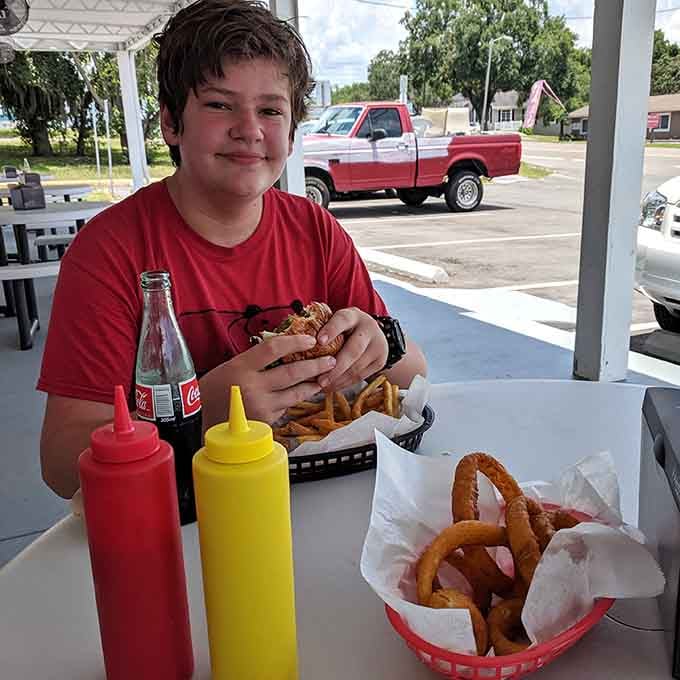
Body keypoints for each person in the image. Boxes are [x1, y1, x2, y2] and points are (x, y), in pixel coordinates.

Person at [38, 0, 427, 499]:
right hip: (176, 517)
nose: (250, 129)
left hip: (314, 496)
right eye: (220, 105)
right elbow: (61, 462)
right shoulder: (108, 252)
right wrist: (201, 416)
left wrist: (381, 339)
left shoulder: (316, 230)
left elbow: (414, 374)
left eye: (270, 109)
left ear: (290, 131)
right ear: (172, 125)